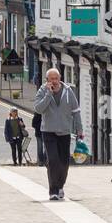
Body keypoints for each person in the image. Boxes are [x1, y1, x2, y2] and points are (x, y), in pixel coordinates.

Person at [32, 68, 82, 201]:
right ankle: (53, 191)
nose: (54, 81)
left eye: (56, 78)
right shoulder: (42, 91)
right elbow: (38, 108)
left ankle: (60, 186)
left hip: (65, 131)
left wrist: (79, 129)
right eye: (51, 79)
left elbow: (76, 110)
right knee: (53, 160)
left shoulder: (68, 91)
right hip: (48, 131)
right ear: (47, 80)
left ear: (59, 78)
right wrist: (48, 94)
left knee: (64, 162)